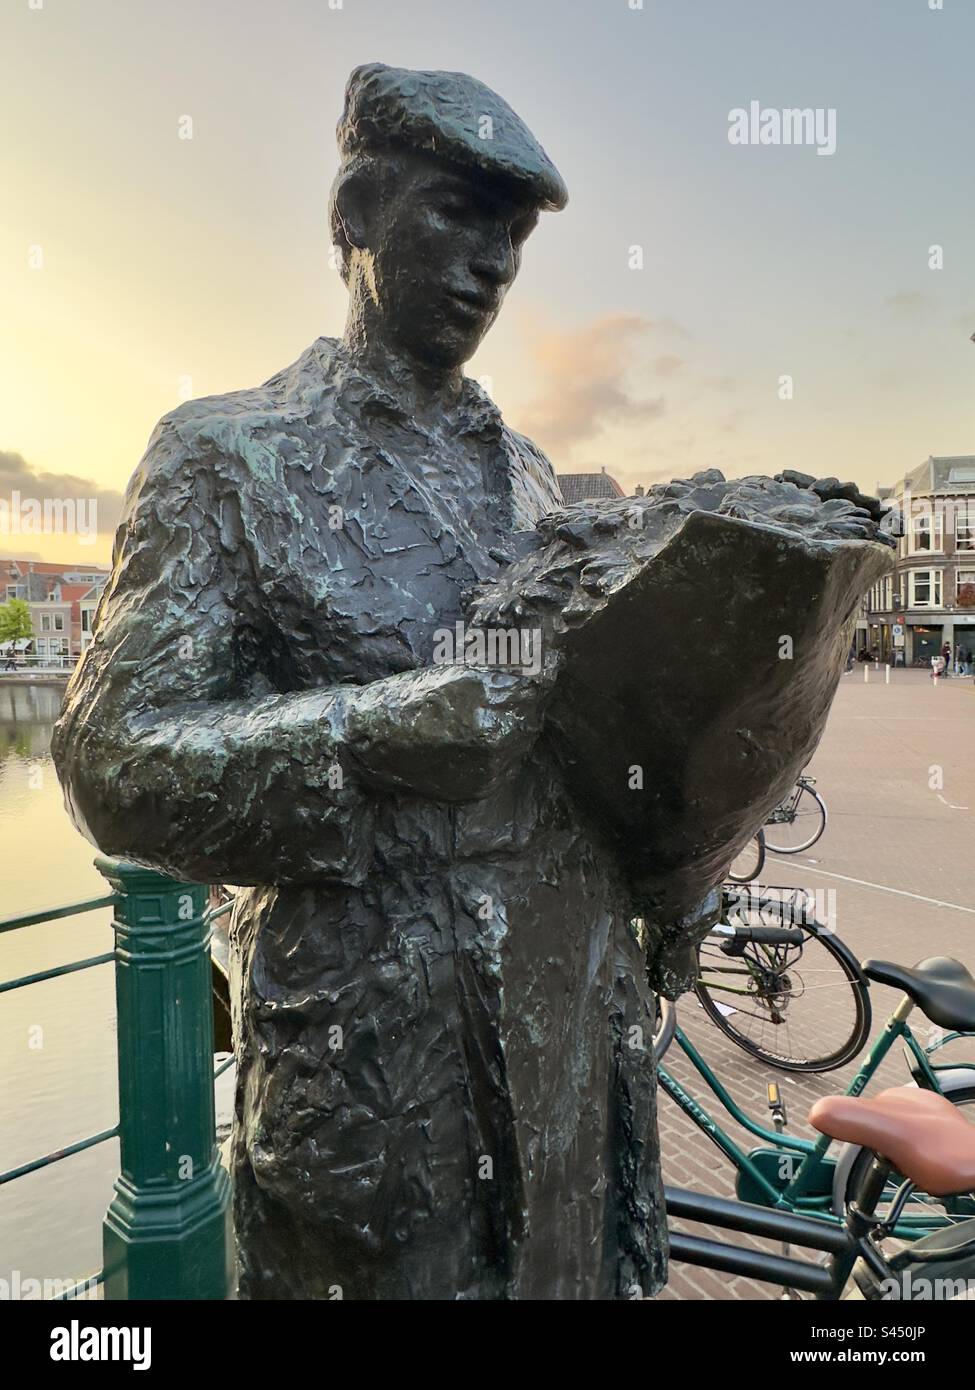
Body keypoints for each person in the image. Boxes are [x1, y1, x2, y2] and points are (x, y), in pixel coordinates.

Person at [52, 64, 663, 1301]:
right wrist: (375, 735)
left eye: (515, 236)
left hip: (569, 1066)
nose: (492, 263)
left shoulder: (545, 489)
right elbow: (109, 758)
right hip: (377, 1111)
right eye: (455, 210)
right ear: (351, 213)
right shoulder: (226, 455)